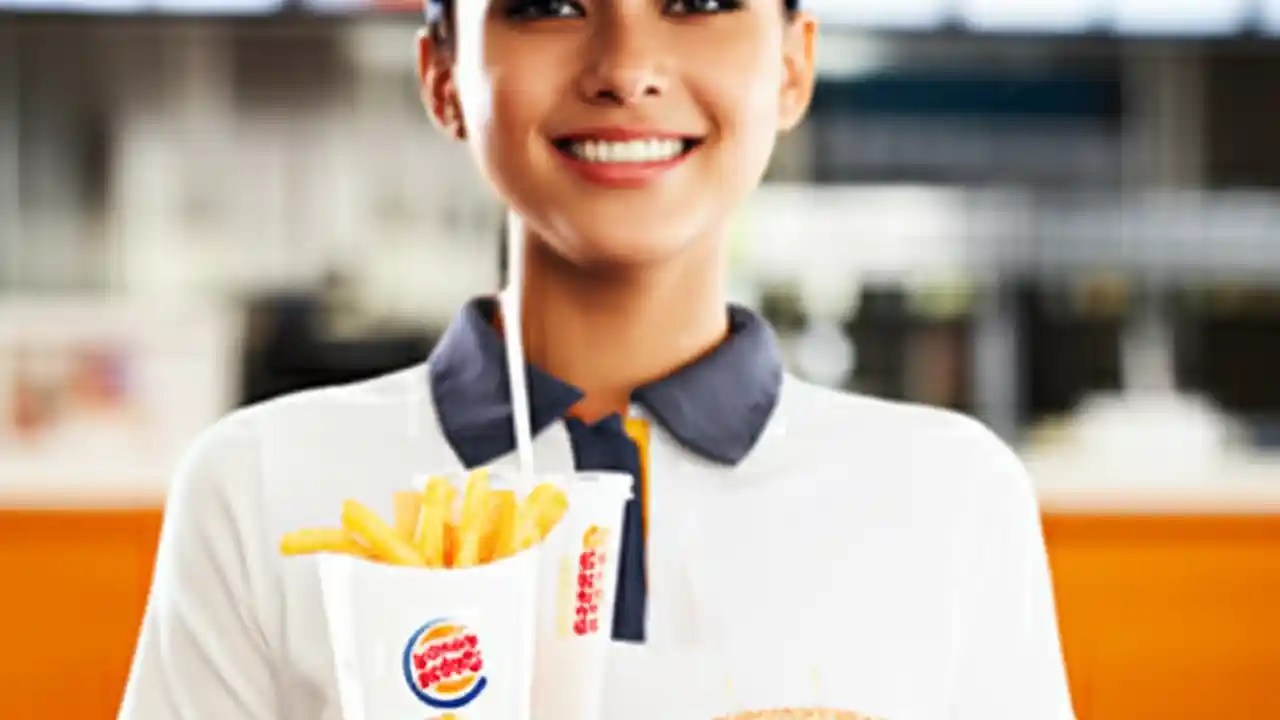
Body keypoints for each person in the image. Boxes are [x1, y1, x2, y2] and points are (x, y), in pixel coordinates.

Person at [120, 0, 1076, 718]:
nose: (626, 68)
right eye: (548, 4)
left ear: (792, 65)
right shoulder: (257, 483)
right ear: (444, 74)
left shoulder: (950, 494)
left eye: (699, 1)